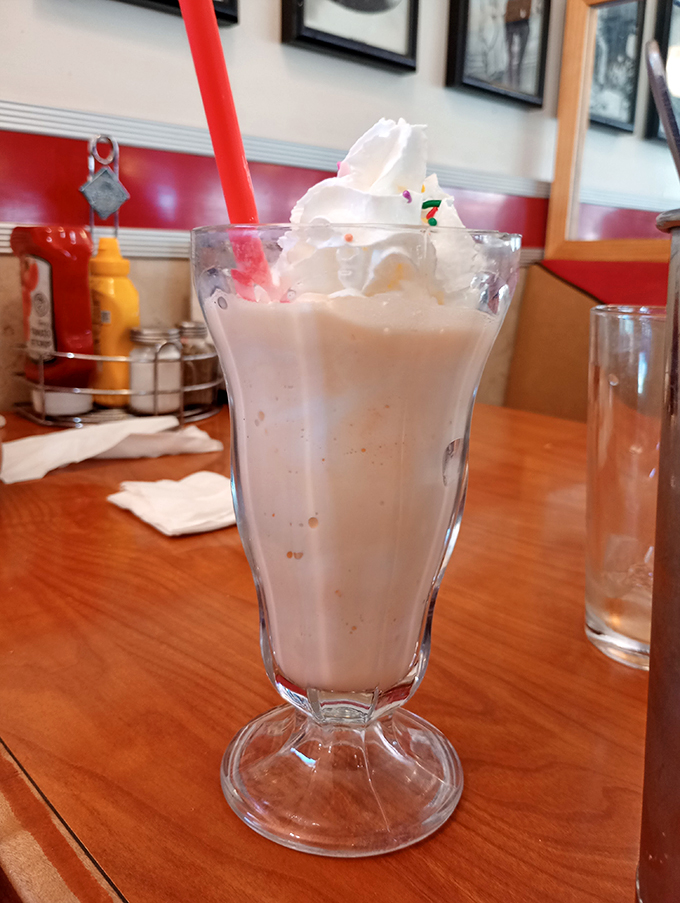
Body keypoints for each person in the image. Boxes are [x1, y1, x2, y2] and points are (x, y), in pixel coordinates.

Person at [504, 0, 531, 89]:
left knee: (518, 58)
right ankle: (512, 80)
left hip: (522, 22)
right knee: (511, 57)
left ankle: (517, 78)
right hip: (511, 21)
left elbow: (527, 11)